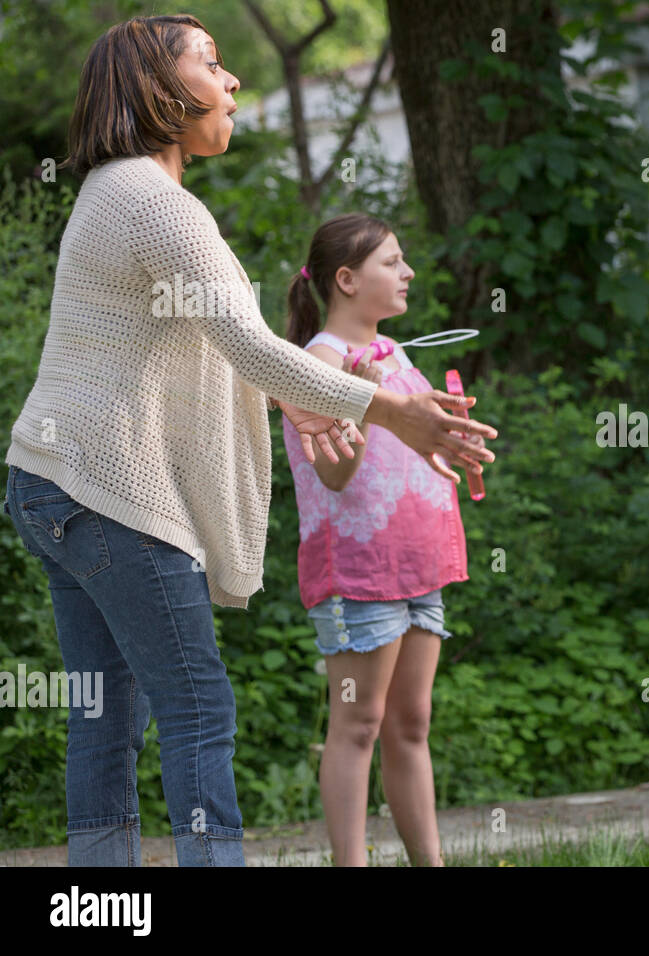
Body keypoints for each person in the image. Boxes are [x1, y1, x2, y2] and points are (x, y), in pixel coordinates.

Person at [1, 14, 495, 867]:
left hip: (51, 482)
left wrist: (285, 405)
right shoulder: (154, 202)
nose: (231, 84)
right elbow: (252, 345)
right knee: (199, 709)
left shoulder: (112, 193)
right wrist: (391, 411)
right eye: (213, 64)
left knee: (106, 719)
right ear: (159, 91)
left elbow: (177, 358)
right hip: (108, 493)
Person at [280, 214, 470, 866]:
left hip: (418, 564)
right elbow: (335, 473)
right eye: (392, 262)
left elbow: (412, 450)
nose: (407, 272)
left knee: (410, 726)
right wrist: (359, 395)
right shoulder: (315, 367)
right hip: (358, 572)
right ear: (346, 279)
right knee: (357, 724)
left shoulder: (398, 353)